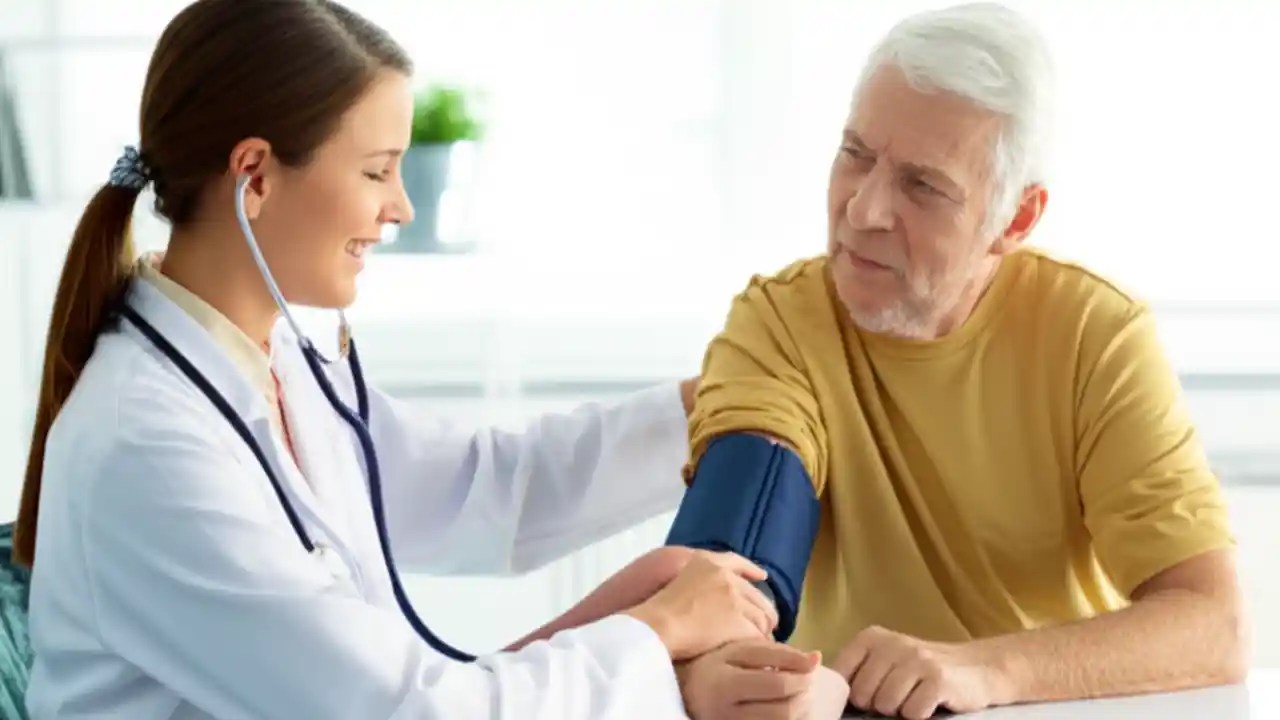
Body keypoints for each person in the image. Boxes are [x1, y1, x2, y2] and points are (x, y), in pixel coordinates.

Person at [15, 1, 823, 717]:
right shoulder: (147, 444)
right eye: (376, 171)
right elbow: (406, 710)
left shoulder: (280, 370)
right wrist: (656, 632)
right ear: (254, 175)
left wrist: (716, 401)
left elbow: (490, 488)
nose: (400, 206)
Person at [676, 3, 1250, 718]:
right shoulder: (778, 323)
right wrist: (709, 664)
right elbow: (737, 544)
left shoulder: (1092, 334)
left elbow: (1214, 624)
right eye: (855, 153)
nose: (864, 209)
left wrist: (987, 670)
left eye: (923, 186)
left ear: (1014, 219)